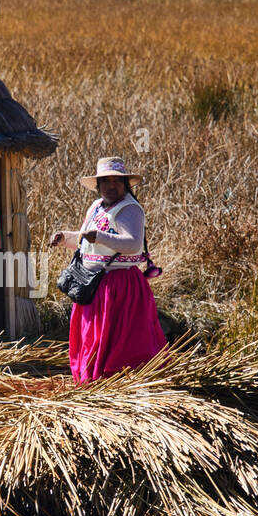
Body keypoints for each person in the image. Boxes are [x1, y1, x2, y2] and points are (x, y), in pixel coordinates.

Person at [50, 156, 167, 383]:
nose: (111, 186)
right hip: (93, 284)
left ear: (125, 184)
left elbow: (133, 243)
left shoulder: (130, 209)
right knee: (92, 336)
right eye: (106, 181)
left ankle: (120, 381)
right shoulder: (96, 207)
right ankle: (91, 380)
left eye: (117, 181)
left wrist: (100, 236)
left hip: (120, 286)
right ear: (98, 185)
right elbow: (87, 242)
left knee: (123, 340)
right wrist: (65, 238)